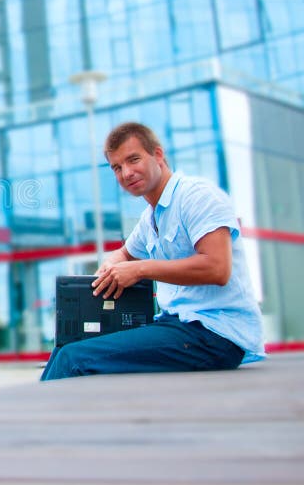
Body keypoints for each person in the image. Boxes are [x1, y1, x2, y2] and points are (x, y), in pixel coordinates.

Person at [41, 122, 264, 381]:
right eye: (117, 167)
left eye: (133, 159)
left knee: (75, 358)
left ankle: (37, 421)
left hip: (213, 333)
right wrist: (109, 270)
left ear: (158, 155)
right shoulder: (151, 218)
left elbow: (217, 268)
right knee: (65, 347)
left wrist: (139, 270)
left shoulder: (198, 197)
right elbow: (124, 254)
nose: (126, 173)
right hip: (178, 327)